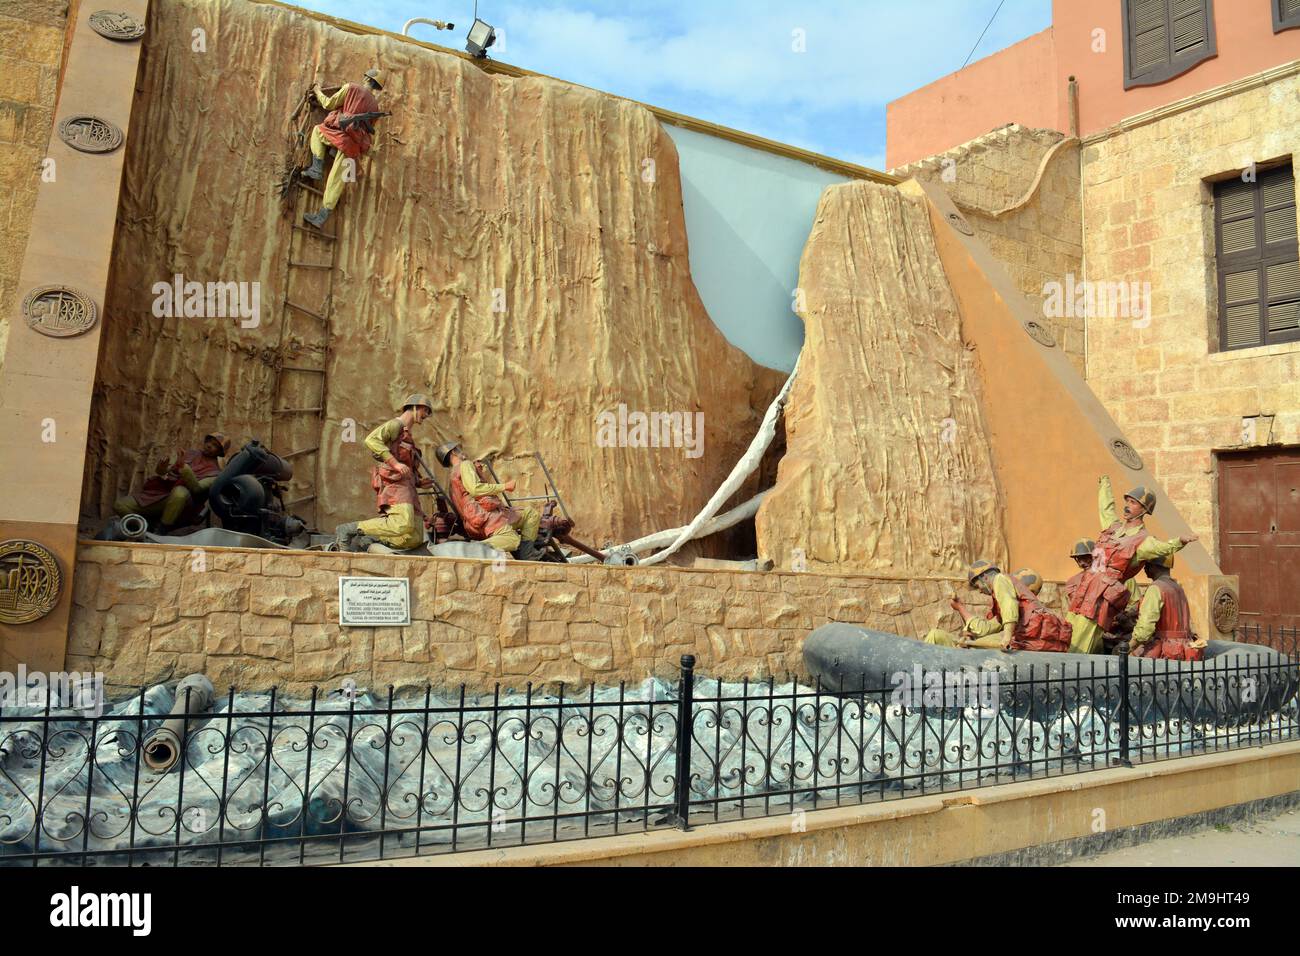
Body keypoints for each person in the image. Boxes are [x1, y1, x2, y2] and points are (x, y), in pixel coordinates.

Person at [1067, 476, 1197, 634]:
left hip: (1101, 601)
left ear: (1144, 510)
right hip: (1084, 592)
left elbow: (1162, 548)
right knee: (1070, 632)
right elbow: (1106, 508)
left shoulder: (1143, 541)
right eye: (1127, 501)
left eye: (1133, 503)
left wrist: (1180, 541)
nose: (1127, 506)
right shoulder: (1112, 528)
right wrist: (1105, 484)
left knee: (1083, 640)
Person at [335, 394, 435, 552]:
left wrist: (419, 482)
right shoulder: (396, 425)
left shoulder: (407, 435)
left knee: (414, 537)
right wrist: (395, 463)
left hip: (408, 486)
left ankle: (374, 539)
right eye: (425, 411)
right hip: (395, 485)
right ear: (415, 407)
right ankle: (348, 529)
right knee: (403, 523)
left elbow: (406, 465)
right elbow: (372, 440)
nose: (426, 415)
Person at [301, 68, 386, 229]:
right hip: (353, 147)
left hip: (338, 135)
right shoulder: (375, 106)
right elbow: (367, 130)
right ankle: (321, 218)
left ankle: (316, 168)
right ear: (377, 86)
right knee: (337, 182)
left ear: (367, 78)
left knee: (318, 131)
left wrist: (318, 91)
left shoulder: (351, 87)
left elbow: (328, 103)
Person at [927, 560, 1071, 652]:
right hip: (1021, 639)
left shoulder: (1000, 580)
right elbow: (987, 628)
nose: (980, 591)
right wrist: (960, 607)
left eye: (977, 585)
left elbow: (1009, 605)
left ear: (984, 577)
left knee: (969, 646)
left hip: (1022, 640)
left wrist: (1007, 635)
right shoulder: (1004, 599)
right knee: (943, 637)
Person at [435, 441, 544, 559]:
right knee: (512, 539)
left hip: (477, 519)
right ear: (453, 452)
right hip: (485, 517)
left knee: (530, 514)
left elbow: (470, 493)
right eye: (458, 449)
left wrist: (479, 474)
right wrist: (505, 486)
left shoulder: (452, 475)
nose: (462, 451)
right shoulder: (465, 465)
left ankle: (526, 553)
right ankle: (472, 548)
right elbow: (475, 489)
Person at [114, 433, 230, 531]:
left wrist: (184, 468)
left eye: (215, 445)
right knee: (121, 505)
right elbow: (165, 472)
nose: (209, 446)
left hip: (185, 506)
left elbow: (197, 488)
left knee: (180, 492)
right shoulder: (189, 454)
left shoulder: (215, 473)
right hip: (162, 495)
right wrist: (162, 468)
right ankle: (146, 528)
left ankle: (161, 530)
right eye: (209, 441)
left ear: (219, 452)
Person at [1128, 554, 1205, 661]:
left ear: (1155, 566)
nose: (1144, 568)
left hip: (1165, 650)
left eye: (1147, 565)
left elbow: (1145, 628)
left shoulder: (1156, 588)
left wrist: (1129, 646)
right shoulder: (1177, 587)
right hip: (1184, 648)